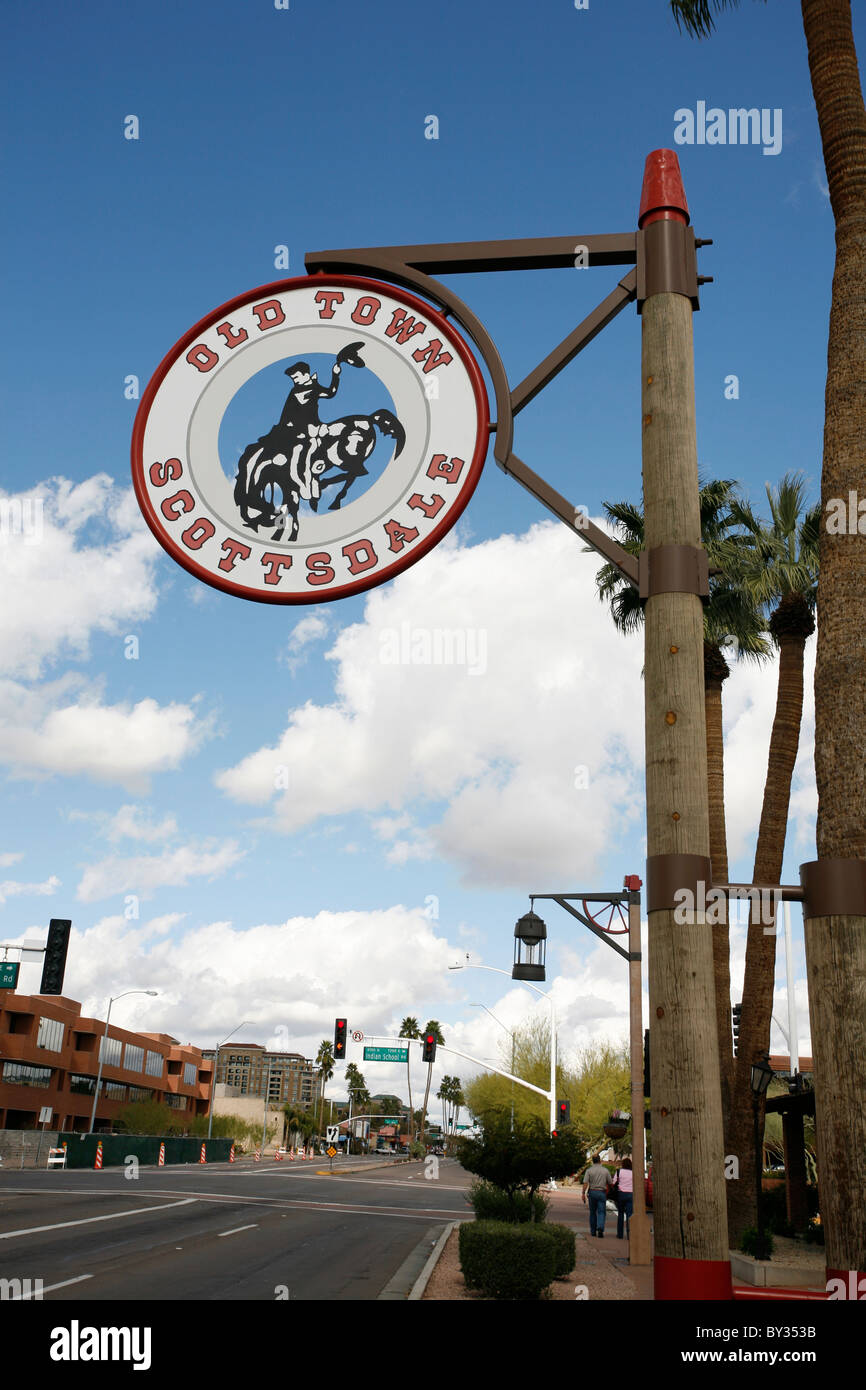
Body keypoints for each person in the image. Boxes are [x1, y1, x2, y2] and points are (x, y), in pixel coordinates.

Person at [581, 1154, 612, 1237]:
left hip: (592, 1192)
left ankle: (593, 1231)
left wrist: (583, 1193)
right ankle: (600, 1227)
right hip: (602, 1192)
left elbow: (585, 1183)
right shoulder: (605, 1170)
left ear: (592, 1161)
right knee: (601, 1212)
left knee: (592, 1212)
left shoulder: (589, 1170)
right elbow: (610, 1182)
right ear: (600, 1160)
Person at [616, 1157, 634, 1239]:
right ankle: (629, 1234)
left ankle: (620, 1234)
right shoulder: (633, 1173)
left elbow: (613, 1182)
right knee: (629, 1214)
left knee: (620, 1214)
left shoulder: (619, 1172)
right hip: (631, 1194)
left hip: (621, 1194)